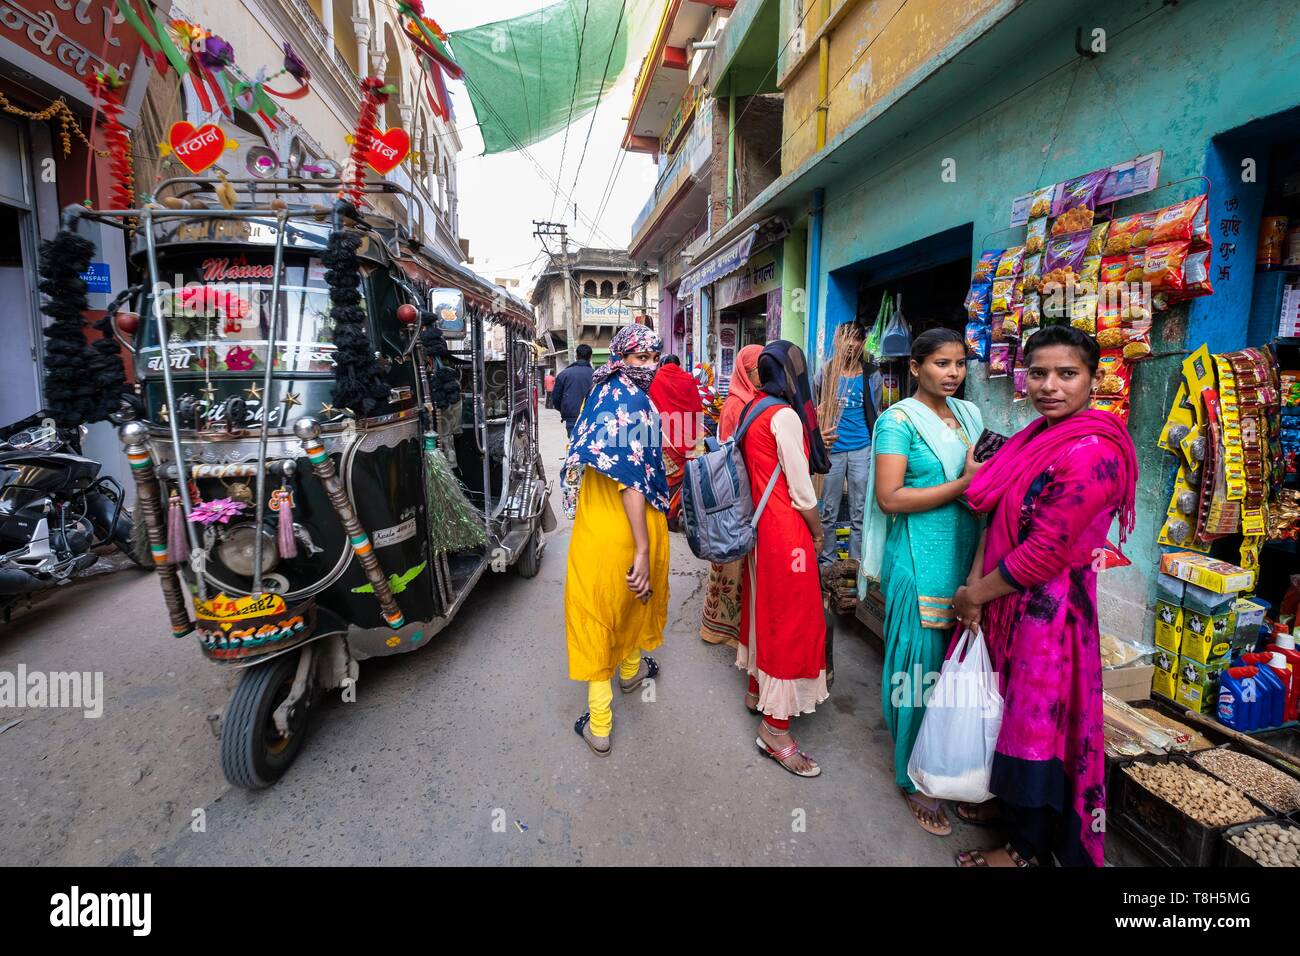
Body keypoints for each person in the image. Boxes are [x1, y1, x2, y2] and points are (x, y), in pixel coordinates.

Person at [952, 326, 1137, 867]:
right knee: (1009, 710)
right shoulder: (1038, 434)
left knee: (1038, 725)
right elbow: (996, 511)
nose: (1049, 386)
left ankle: (1027, 849)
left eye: (1067, 374)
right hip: (1011, 600)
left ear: (1093, 379)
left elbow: (1045, 552)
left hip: (1049, 615)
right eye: (1038, 373)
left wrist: (973, 596)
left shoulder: (1091, 452)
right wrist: (978, 589)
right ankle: (1010, 807)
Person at [859, 327, 983, 835]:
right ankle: (913, 776)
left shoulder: (971, 415)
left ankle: (951, 763)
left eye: (959, 364)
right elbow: (890, 498)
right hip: (916, 555)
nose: (952, 373)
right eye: (940, 364)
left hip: (966, 552)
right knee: (920, 670)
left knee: (957, 669)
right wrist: (963, 485)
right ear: (915, 367)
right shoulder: (897, 421)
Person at [563, 325, 671, 756]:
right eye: (640, 358)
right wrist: (642, 550)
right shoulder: (638, 404)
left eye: (652, 359)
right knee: (631, 602)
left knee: (596, 614)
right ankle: (630, 673)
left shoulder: (599, 394)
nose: (648, 366)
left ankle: (601, 725)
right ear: (622, 356)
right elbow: (630, 485)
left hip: (600, 534)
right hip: (638, 529)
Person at [737, 340, 831, 777]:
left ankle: (758, 691)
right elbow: (801, 487)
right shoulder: (786, 415)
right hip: (786, 529)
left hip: (758, 528)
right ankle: (775, 730)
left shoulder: (753, 408)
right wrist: (817, 530)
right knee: (792, 620)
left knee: (765, 610)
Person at [700, 343, 763, 646]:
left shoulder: (751, 399)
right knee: (732, 555)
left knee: (737, 557)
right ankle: (722, 627)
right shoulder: (738, 403)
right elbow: (730, 449)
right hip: (736, 490)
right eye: (757, 369)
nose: (762, 374)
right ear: (745, 371)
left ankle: (730, 624)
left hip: (744, 489)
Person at [813, 323, 882, 565]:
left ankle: (855, 565)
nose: (851, 344)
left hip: (861, 447)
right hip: (833, 449)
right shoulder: (826, 372)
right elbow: (814, 408)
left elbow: (876, 408)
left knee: (859, 511)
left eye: (856, 339)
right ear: (836, 342)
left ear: (863, 343)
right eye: (846, 338)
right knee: (828, 510)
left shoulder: (872, 374)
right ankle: (828, 562)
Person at [649, 353, 707, 526]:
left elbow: (652, 408)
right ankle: (679, 512)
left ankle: (666, 513)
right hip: (689, 434)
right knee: (687, 476)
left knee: (667, 477)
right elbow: (697, 408)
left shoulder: (656, 379)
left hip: (665, 437)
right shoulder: (688, 379)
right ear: (679, 364)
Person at [552, 343, 594, 439]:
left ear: (576, 356)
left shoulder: (564, 374)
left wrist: (565, 409)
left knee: (574, 444)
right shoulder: (596, 375)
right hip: (592, 417)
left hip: (572, 417)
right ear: (590, 357)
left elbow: (556, 399)